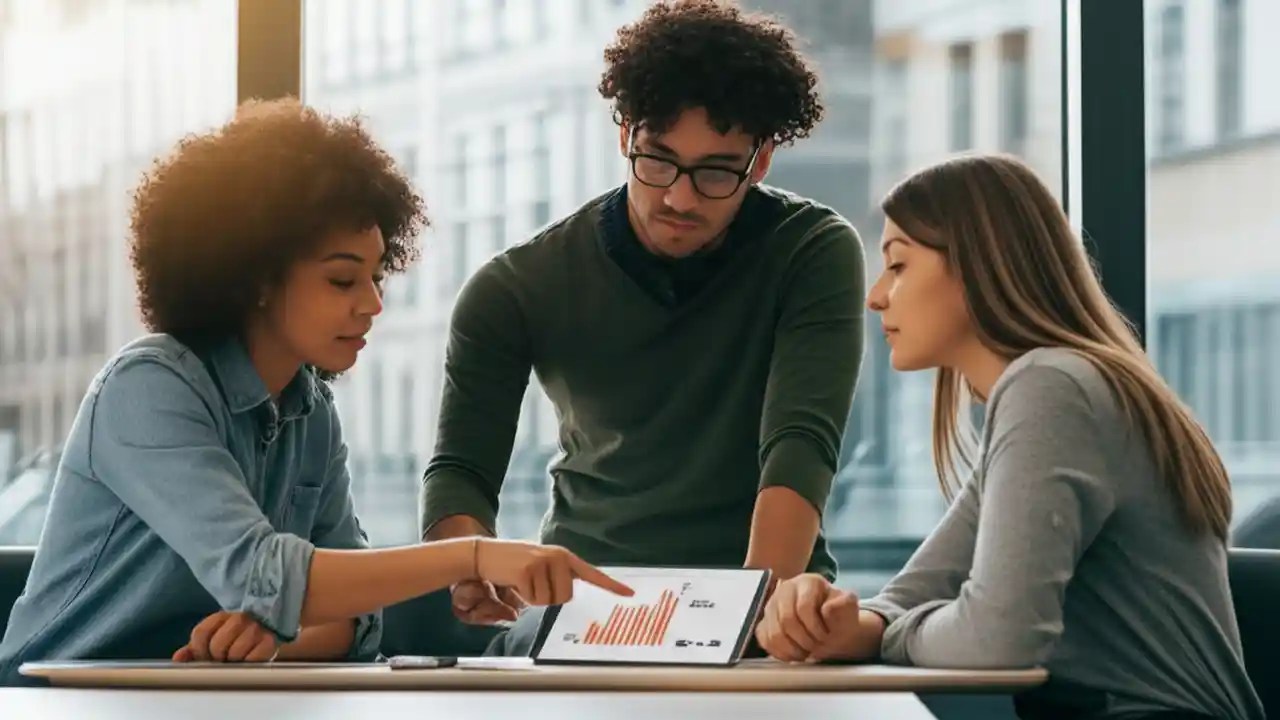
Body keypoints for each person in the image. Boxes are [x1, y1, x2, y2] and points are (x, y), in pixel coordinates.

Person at [0, 99, 630, 686]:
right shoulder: (148, 387)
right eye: (342, 280)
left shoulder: (310, 411)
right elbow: (265, 573)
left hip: (191, 696)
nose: (373, 303)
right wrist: (473, 556)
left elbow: (356, 621)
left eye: (376, 276)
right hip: (53, 697)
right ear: (255, 278)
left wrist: (275, 636)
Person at [418, 0, 865, 656]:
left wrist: (746, 617)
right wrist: (468, 567)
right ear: (625, 135)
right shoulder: (515, 285)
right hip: (586, 607)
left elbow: (800, 446)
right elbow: (462, 468)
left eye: (717, 171)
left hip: (764, 603)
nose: (680, 197)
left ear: (761, 160)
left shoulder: (812, 250)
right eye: (658, 160)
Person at [754, 155, 1264, 720]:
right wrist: (838, 620)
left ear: (977, 267)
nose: (875, 295)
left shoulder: (1053, 387)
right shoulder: (1049, 390)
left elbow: (998, 636)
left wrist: (880, 634)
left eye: (897, 265)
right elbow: (914, 593)